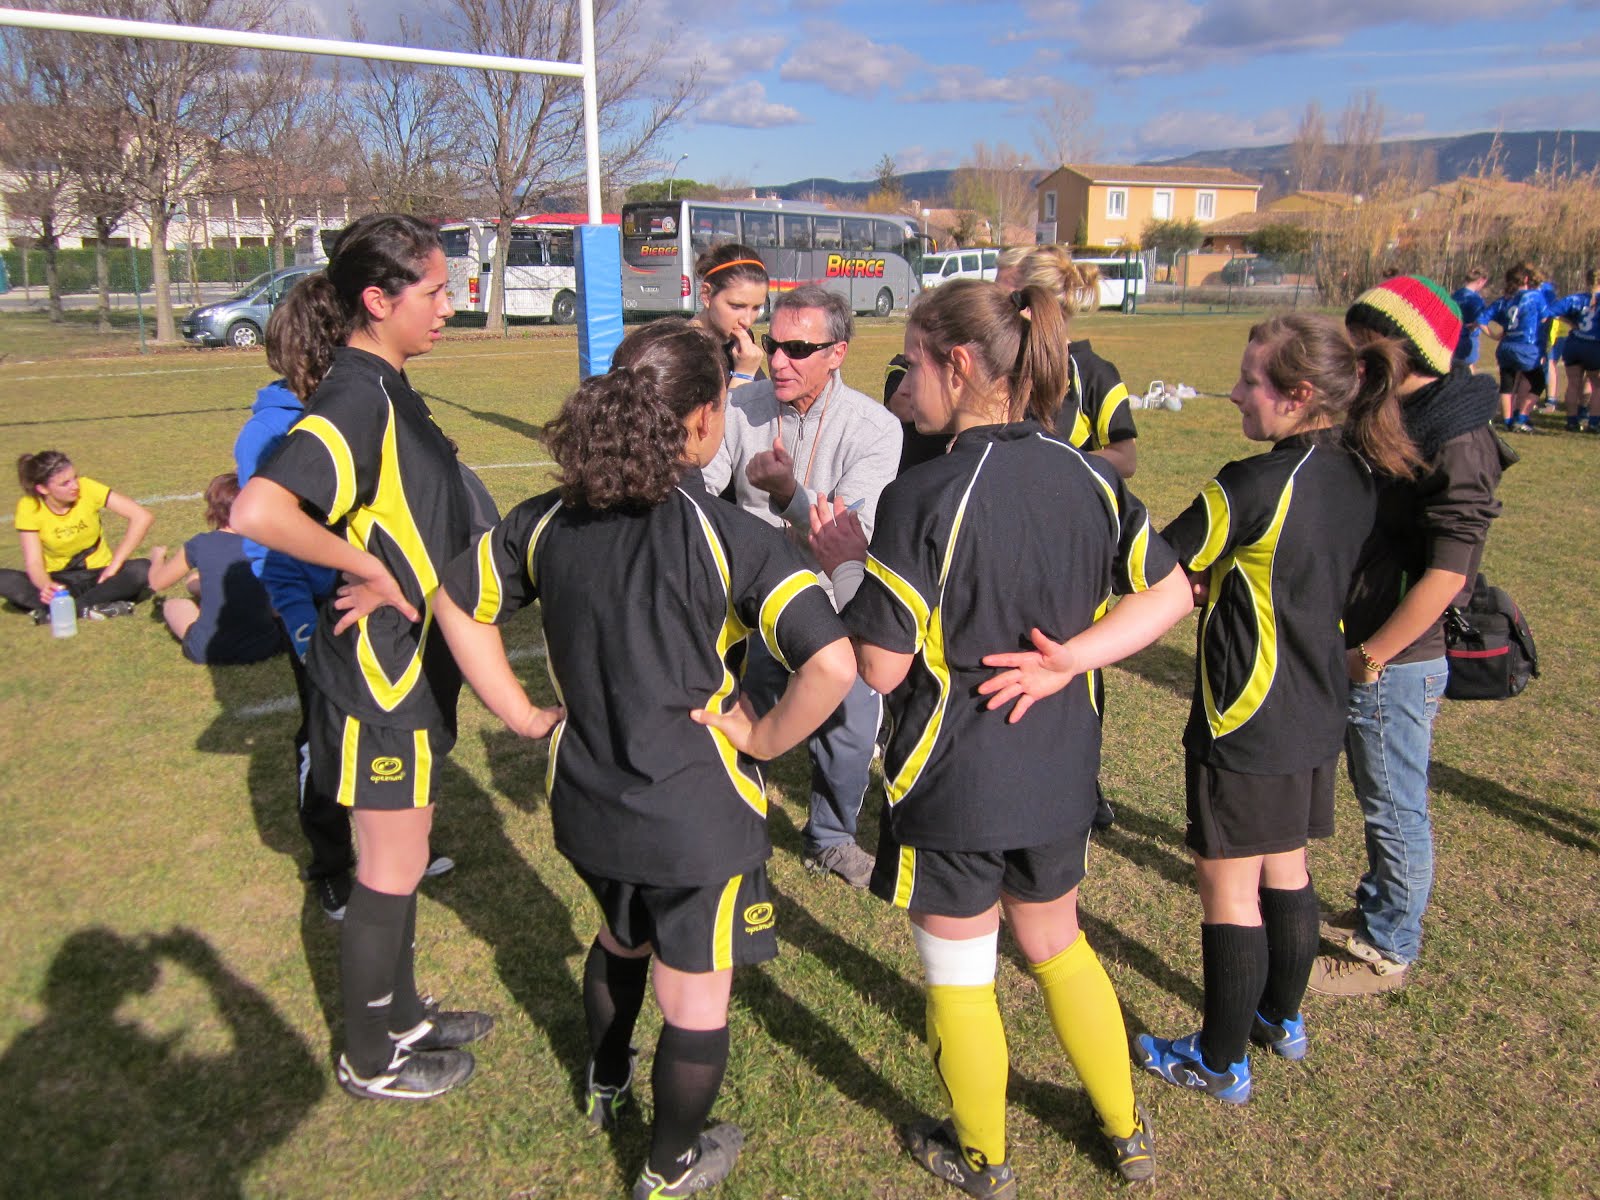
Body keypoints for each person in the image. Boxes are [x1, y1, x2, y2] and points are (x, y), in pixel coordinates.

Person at [434, 319, 855, 1200]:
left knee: (621, 937)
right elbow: (835, 664)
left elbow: (453, 601)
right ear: (704, 421)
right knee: (696, 997)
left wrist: (519, 714)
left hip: (588, 802)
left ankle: (605, 1079)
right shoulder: (730, 536)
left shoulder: (545, 519)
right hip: (696, 817)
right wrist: (763, 738)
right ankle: (669, 1166)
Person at [810, 280, 1191, 1194]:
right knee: (1059, 945)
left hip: (958, 777)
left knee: (962, 974)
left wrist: (847, 564)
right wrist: (1072, 663)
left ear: (962, 364)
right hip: (1060, 769)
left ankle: (981, 1156)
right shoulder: (1092, 475)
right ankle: (1127, 1130)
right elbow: (1175, 592)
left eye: (913, 361)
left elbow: (882, 670)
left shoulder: (923, 493)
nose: (906, 380)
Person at [232, 213, 489, 1101]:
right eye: (437, 291)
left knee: (406, 855)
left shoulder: (388, 381)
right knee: (385, 867)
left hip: (410, 664)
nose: (452, 306)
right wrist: (367, 564)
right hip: (376, 676)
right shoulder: (355, 394)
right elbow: (259, 512)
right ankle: (369, 1058)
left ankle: (403, 1014)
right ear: (378, 301)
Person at [1135, 314, 1419, 1104]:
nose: (1233, 393)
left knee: (1229, 890)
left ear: (1298, 398)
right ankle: (1280, 1020)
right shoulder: (1361, 472)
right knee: (1287, 868)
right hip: (1317, 705)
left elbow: (1158, 562)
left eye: (1249, 381)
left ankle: (1219, 1060)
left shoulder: (1253, 483)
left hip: (1245, 716)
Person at [1309, 276, 1505, 997]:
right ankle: (1378, 907)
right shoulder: (1396, 412)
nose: (1352, 348)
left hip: (1397, 659)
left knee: (1393, 804)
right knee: (1380, 794)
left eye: (1365, 337)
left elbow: (1447, 576)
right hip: (1365, 645)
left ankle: (1387, 947)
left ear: (1409, 349)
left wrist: (1373, 657)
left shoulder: (1456, 439)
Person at [702, 284, 902, 888]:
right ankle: (728, 814)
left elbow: (852, 532)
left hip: (836, 600)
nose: (779, 360)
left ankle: (832, 838)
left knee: (850, 725)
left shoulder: (876, 427)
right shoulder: (739, 409)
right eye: (772, 344)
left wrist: (789, 498)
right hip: (754, 601)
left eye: (797, 348)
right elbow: (702, 494)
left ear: (837, 352)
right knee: (737, 710)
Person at [994, 246, 1136, 830]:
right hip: (1002, 525)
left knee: (1073, 654)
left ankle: (1082, 780)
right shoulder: (1001, 361)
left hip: (1069, 533)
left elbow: (1125, 452)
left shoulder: (1095, 370)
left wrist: (1064, 467)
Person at [995, 245, 1139, 480]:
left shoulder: (1095, 374)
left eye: (1013, 300)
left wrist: (1058, 459)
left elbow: (1126, 459)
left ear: (1035, 302)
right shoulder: (1006, 365)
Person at [147, 472, 283, 665]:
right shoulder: (268, 543)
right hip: (265, 646)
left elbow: (157, 582)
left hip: (208, 650)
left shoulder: (200, 544)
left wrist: (157, 558)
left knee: (174, 604)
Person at [1, 451, 153, 622]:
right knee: (5, 579)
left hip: (100, 576)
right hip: (59, 581)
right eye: (65, 483)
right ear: (43, 489)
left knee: (142, 569)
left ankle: (64, 611)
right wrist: (46, 586)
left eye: (75, 478)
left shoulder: (87, 488)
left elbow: (142, 516)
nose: (75, 486)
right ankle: (90, 607)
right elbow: (34, 562)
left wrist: (115, 565)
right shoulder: (29, 506)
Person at [1482, 262, 1549, 432]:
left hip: (1506, 346)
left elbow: (1481, 319)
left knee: (1507, 384)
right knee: (1538, 382)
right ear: (1526, 279)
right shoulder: (1535, 296)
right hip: (1526, 346)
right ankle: (1522, 418)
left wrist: (1494, 335)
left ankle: (1507, 421)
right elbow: (1544, 317)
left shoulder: (1504, 300)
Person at [692, 242, 768, 389]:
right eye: (736, 306)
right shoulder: (681, 351)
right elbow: (715, 412)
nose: (746, 321)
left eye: (756, 307)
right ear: (707, 295)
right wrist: (743, 375)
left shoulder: (741, 341)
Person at [1547, 268, 1600, 432]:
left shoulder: (1575, 298)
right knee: (1597, 385)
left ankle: (1571, 421)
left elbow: (1551, 311)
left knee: (1573, 384)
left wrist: (1570, 322)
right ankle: (1593, 422)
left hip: (1574, 345)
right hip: (1594, 346)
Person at [1450, 267, 1489, 370]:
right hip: (1469, 337)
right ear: (1481, 281)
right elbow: (1481, 319)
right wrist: (1492, 334)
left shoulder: (1455, 295)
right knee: (1468, 367)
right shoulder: (1475, 299)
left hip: (1453, 337)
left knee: (1454, 367)